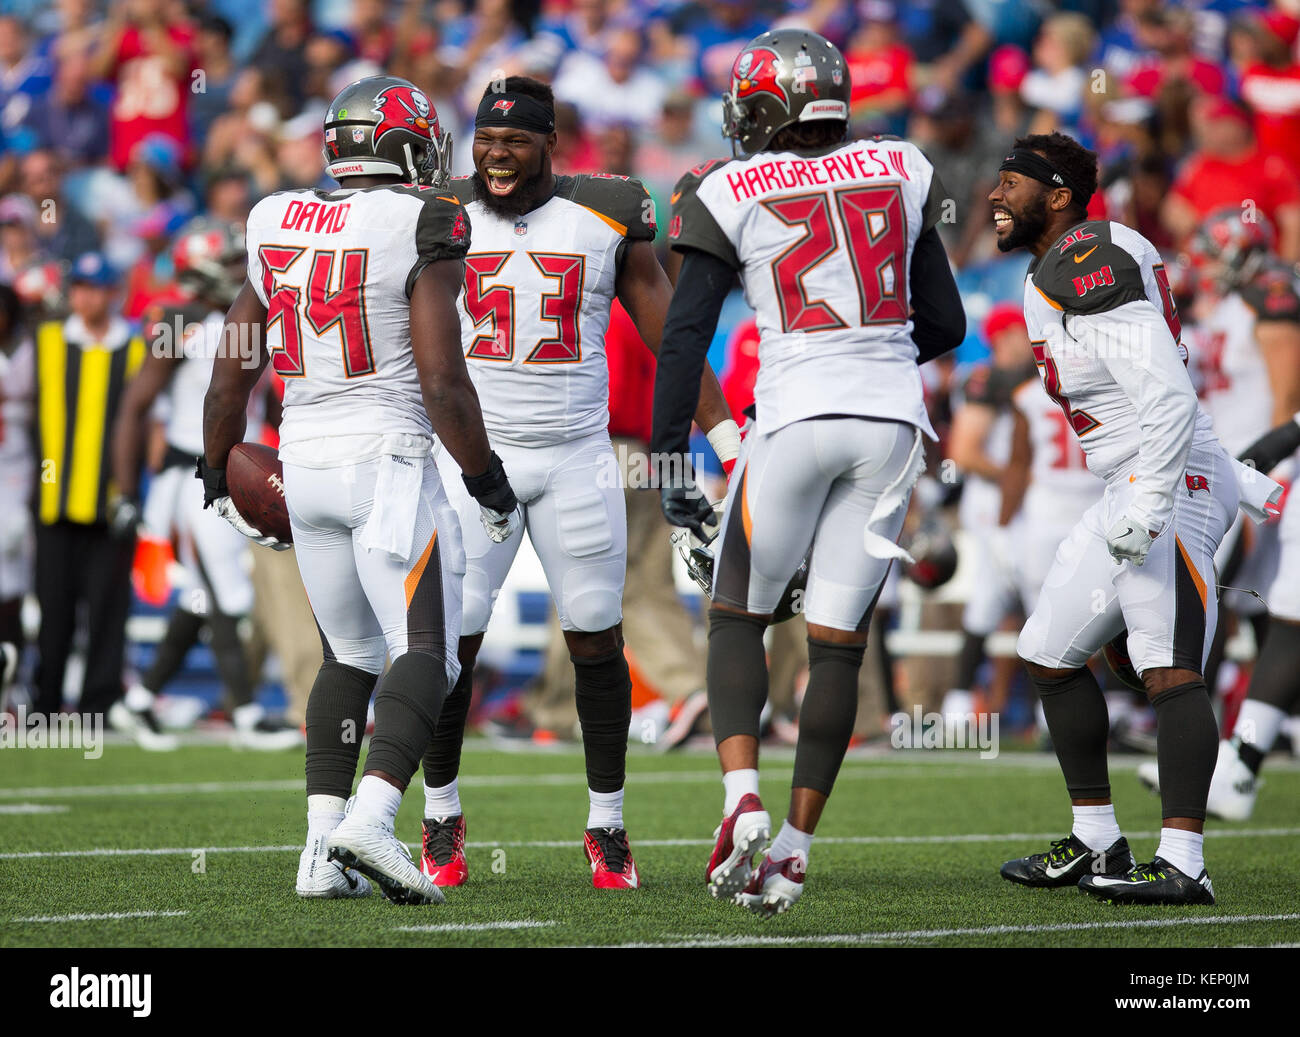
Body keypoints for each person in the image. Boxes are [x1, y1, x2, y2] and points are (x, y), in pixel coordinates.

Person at [652, 29, 966, 916]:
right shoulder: (902, 166)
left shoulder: (729, 185)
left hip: (792, 414)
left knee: (736, 616)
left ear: (775, 104)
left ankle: (740, 795)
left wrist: (674, 449)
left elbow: (684, 337)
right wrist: (877, 353)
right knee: (837, 643)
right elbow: (943, 321)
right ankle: (792, 851)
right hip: (892, 421)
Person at [202, 74, 517, 906]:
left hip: (301, 462)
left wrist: (216, 468)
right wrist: (486, 478)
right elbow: (445, 381)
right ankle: (373, 818)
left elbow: (232, 366)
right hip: (388, 461)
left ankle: (318, 849)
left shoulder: (275, 218)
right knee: (432, 654)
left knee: (349, 655)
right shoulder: (424, 218)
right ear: (409, 149)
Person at [417, 75, 737, 891]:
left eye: (515, 140)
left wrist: (728, 436)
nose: (495, 154)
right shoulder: (441, 212)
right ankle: (441, 814)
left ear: (549, 142)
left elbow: (673, 339)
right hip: (473, 457)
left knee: (596, 634)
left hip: (577, 457)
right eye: (486, 139)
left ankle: (608, 826)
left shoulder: (607, 211)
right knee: (452, 641)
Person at [989, 131, 1278, 906]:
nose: (994, 195)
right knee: (1047, 651)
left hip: (1163, 476)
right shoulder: (1063, 262)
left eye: (1011, 183)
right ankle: (1095, 840)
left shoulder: (1086, 252)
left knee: (1169, 666)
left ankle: (1184, 860)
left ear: (1057, 196)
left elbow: (1169, 398)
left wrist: (1153, 503)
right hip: (1139, 474)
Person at [112, 218, 291, 750]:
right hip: (192, 475)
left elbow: (271, 403)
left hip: (231, 473)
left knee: (201, 596)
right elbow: (135, 409)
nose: (241, 273)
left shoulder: (253, 320)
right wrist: (126, 491)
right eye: (231, 263)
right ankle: (247, 713)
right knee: (229, 595)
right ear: (203, 269)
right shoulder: (180, 322)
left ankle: (140, 700)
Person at [32, 252, 144, 720]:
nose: (86, 297)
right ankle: (48, 704)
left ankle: (99, 705)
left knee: (106, 613)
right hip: (52, 505)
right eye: (79, 286)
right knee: (53, 612)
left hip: (112, 506)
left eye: (95, 288)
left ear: (113, 293)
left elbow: (149, 424)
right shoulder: (47, 341)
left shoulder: (136, 349)